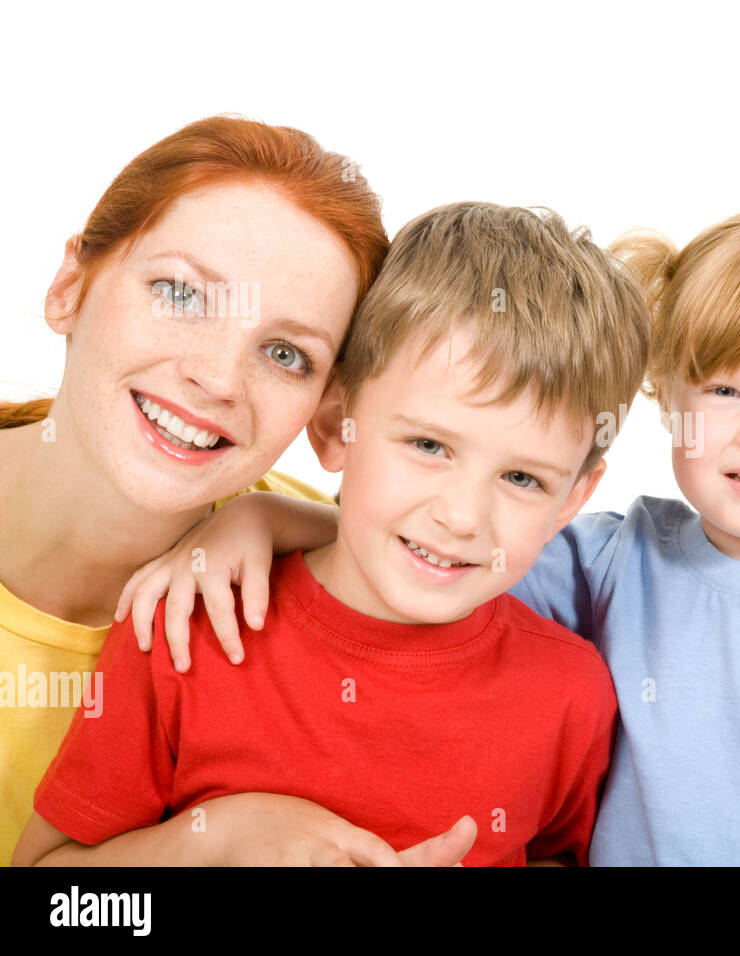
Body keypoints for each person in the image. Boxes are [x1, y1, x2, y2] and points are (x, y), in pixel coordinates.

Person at [137, 205, 740, 865]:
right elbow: (438, 549)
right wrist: (259, 514)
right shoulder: (617, 558)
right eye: (722, 390)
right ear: (666, 402)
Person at [13, 201, 652, 867]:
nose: (462, 517)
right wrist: (217, 842)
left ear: (574, 498)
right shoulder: (185, 626)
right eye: (429, 445)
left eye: (522, 479)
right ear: (335, 424)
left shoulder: (571, 694)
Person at [0, 115, 392, 866]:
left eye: (285, 354)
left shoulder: (320, 590)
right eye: (180, 293)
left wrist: (272, 517)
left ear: (328, 410)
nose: (216, 378)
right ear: (70, 287)